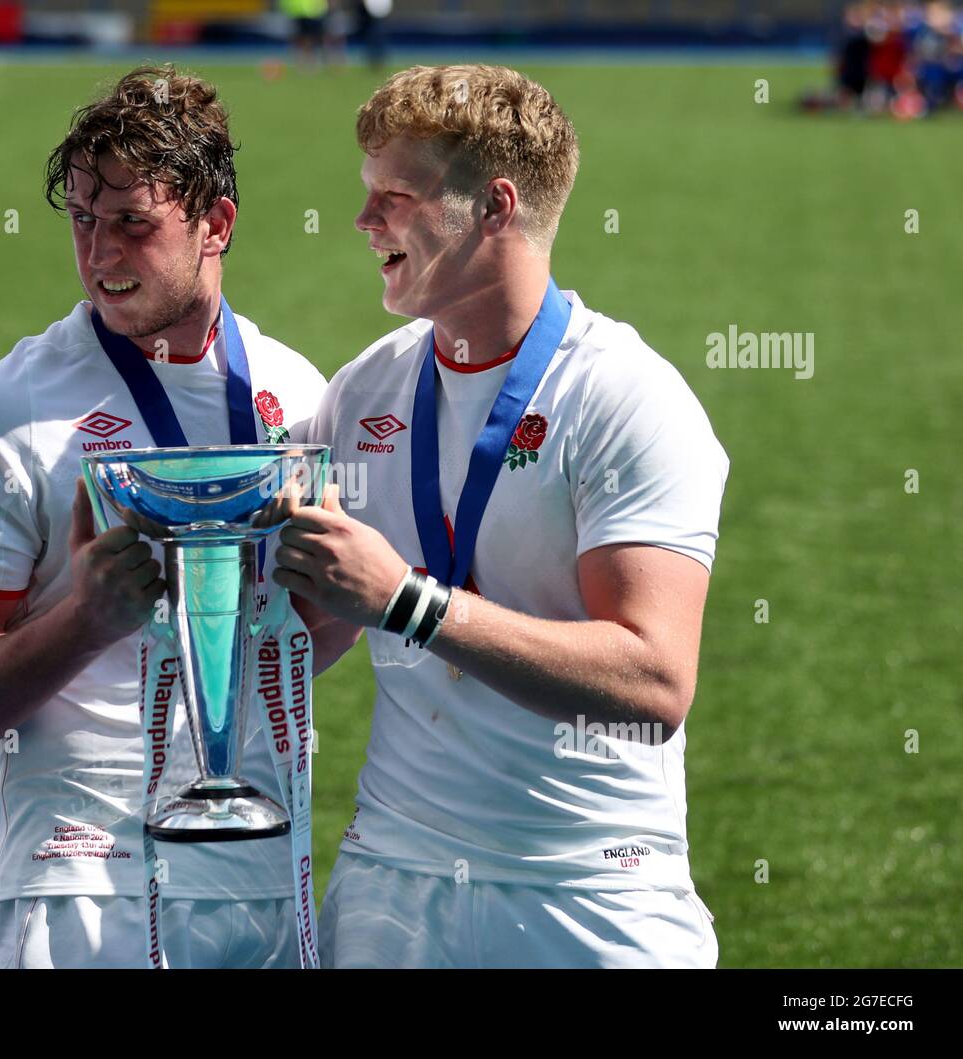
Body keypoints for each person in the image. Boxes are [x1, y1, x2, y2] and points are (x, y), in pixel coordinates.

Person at [272, 64, 729, 968]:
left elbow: (654, 680)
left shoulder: (626, 398)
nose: (363, 222)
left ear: (493, 207)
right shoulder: (363, 391)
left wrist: (408, 603)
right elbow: (299, 634)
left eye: (393, 196)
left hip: (590, 885)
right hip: (393, 878)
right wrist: (107, 794)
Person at [0, 66, 327, 968]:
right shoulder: (1, 414)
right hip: (83, 880)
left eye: (133, 223)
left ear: (216, 224)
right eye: (84, 221)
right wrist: (86, 622)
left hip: (264, 864)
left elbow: (306, 634)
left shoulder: (298, 397)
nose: (100, 254)